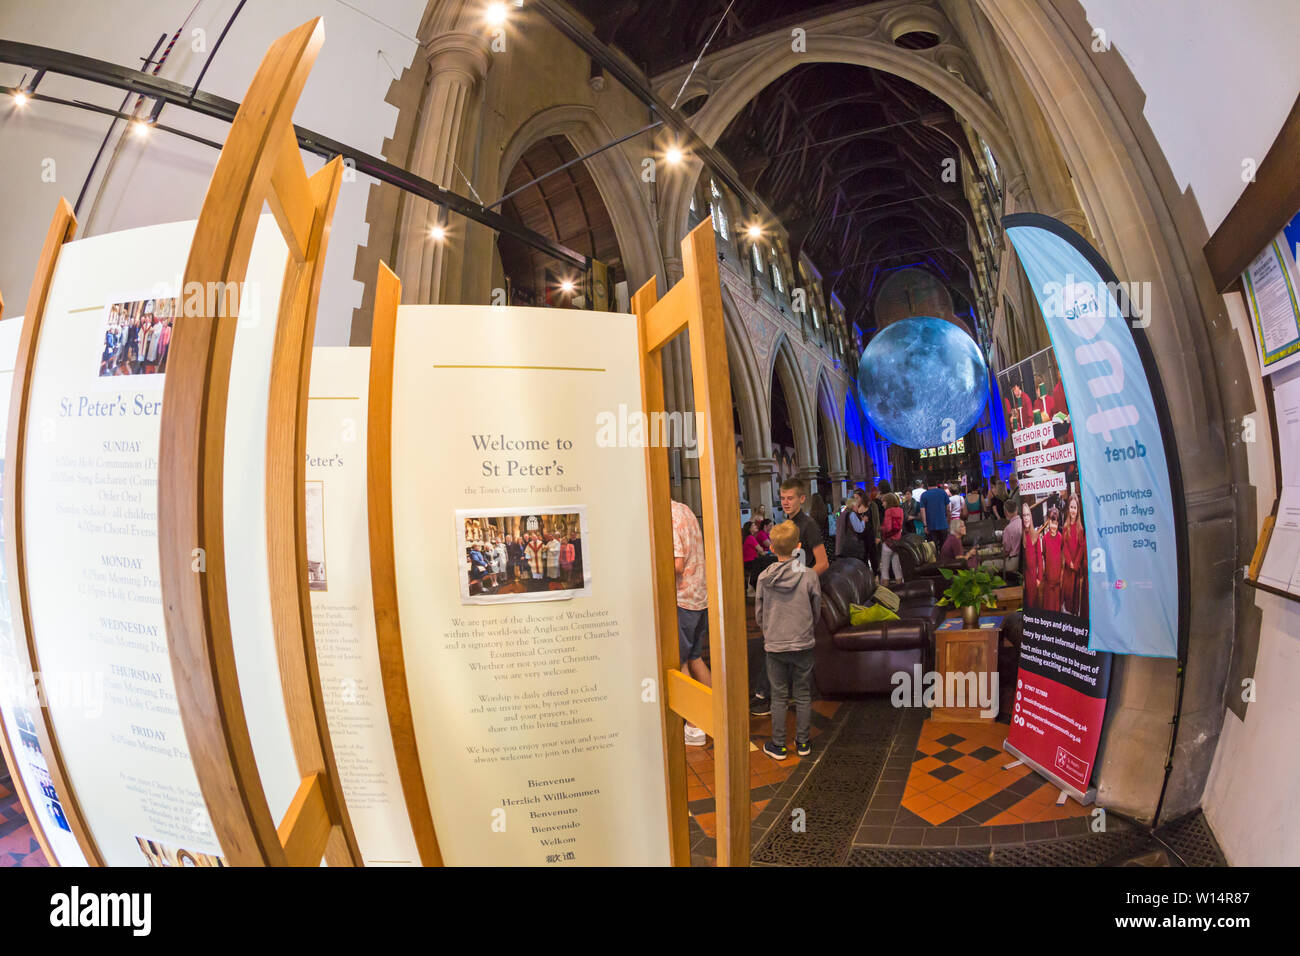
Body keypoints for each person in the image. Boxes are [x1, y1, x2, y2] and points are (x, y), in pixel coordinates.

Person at [752, 478, 828, 717]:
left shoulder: (808, 525)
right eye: (782, 498)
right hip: (785, 591)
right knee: (773, 643)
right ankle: (768, 694)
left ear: (802, 498)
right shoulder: (787, 523)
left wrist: (801, 583)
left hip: (797, 594)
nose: (785, 502)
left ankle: (765, 695)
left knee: (776, 644)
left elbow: (823, 563)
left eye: (790, 498)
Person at [755, 520, 821, 760]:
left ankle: (779, 744)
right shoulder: (809, 575)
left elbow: (759, 613)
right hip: (803, 641)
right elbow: (816, 608)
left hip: (775, 644)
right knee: (803, 693)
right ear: (799, 547)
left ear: (771, 548)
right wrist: (808, 628)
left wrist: (768, 631)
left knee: (779, 695)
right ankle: (803, 743)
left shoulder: (764, 578)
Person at [671, 499, 712, 747]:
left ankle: (694, 726)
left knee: (681, 661)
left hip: (683, 599)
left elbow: (676, 563)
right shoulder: (685, 508)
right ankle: (714, 713)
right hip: (699, 596)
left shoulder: (668, 517)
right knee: (696, 658)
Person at [1061, 492, 1086, 615]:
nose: (1073, 510)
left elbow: (1081, 547)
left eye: (1075, 507)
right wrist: (1069, 561)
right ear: (1068, 509)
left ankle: (1075, 612)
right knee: (1068, 590)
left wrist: (1075, 563)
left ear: (1078, 509)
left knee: (1076, 591)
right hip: (1068, 567)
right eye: (1071, 507)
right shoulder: (1065, 527)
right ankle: (1068, 611)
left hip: (1077, 567)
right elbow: (1064, 545)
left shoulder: (1080, 528)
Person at [1039, 505, 1064, 610]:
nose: (1053, 526)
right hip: (1048, 577)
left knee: (1057, 604)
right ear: (1048, 522)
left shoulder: (1060, 538)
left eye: (1056, 523)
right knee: (1048, 605)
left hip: (1058, 577)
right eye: (1051, 522)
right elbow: (1044, 555)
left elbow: (1062, 556)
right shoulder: (1044, 539)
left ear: (1058, 524)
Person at [879, 492, 905, 584]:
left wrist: (880, 528)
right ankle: (900, 588)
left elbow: (888, 528)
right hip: (897, 542)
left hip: (888, 543)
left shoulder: (888, 511)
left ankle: (885, 594)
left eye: (884, 502)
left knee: (884, 569)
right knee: (897, 568)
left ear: (888, 502)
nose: (882, 504)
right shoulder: (900, 510)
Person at [1020, 500, 1042, 608]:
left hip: (1034, 576)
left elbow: (1040, 558)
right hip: (1025, 575)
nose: (1026, 518)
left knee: (1034, 603)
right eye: (1024, 515)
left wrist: (1039, 578)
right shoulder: (1021, 534)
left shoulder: (1035, 534)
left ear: (1031, 516)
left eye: (1028, 515)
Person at [919, 479, 950, 551]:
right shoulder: (943, 493)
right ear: (937, 484)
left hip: (930, 526)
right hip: (943, 524)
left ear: (927, 485)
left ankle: (936, 560)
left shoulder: (924, 495)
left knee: (933, 549)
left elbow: (922, 511)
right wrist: (948, 521)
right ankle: (944, 560)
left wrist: (925, 525)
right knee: (944, 547)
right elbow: (948, 508)